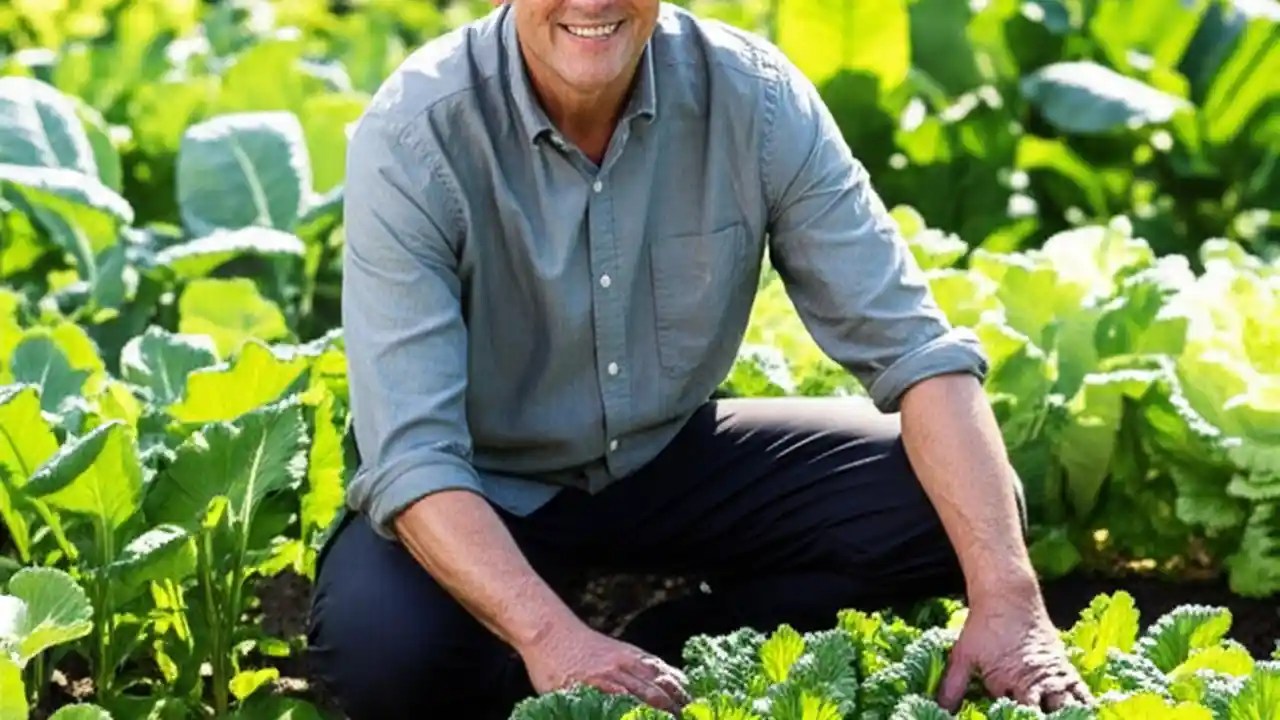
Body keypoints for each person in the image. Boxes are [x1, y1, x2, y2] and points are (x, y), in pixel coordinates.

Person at [307, 0, 1093, 717]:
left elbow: (918, 352)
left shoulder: (752, 97)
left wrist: (1012, 600)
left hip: (665, 459)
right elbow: (414, 458)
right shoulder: (417, 132)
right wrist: (553, 640)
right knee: (385, 652)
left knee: (947, 511)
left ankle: (679, 651)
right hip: (484, 486)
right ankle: (536, 676)